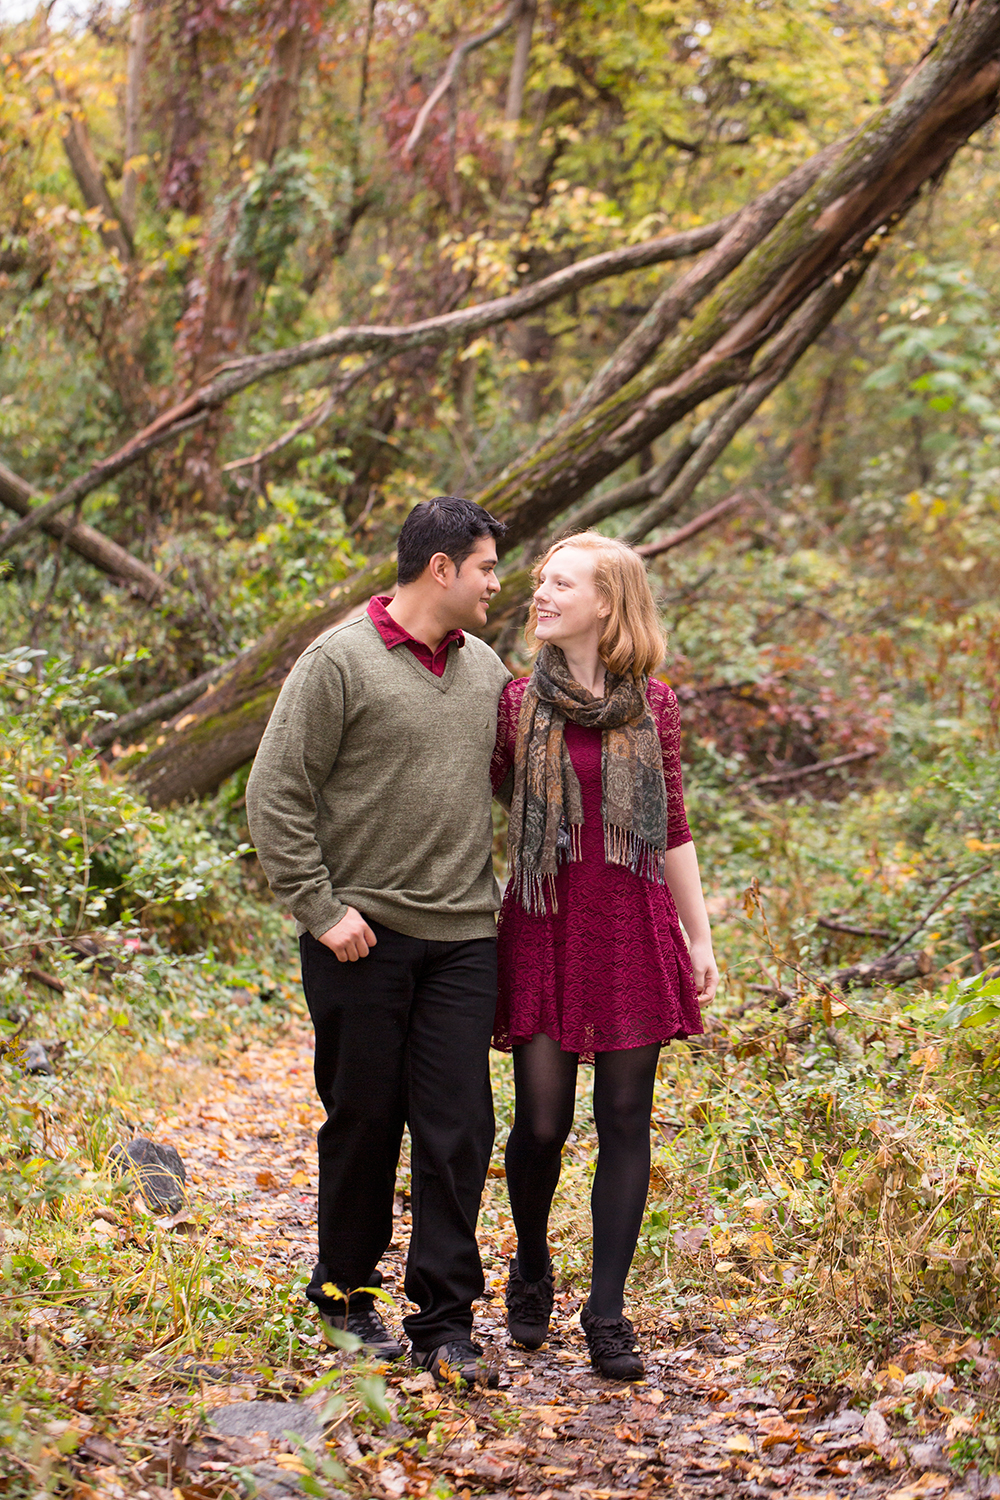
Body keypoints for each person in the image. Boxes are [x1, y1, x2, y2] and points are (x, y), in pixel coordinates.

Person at [246, 497, 511, 1388]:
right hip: (360, 938)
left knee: (459, 1126)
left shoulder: (488, 671)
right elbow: (276, 791)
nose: (495, 585)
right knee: (364, 1120)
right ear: (441, 568)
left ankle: (444, 1321)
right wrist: (320, 910)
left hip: (467, 936)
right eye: (485, 568)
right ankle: (346, 1299)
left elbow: (532, 781)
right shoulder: (339, 661)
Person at [490, 531, 718, 1381]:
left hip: (630, 929)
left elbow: (677, 829)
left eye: (560, 582)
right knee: (542, 1124)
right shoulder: (516, 704)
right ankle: (532, 1264)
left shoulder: (655, 705)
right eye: (541, 580)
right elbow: (476, 803)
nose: (540, 593)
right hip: (546, 925)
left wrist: (699, 937)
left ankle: (608, 1310)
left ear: (606, 603)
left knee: (625, 1122)